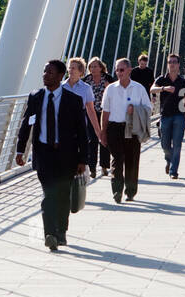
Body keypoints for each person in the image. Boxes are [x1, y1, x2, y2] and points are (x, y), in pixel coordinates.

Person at [15, 60, 89, 251]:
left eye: (49, 72)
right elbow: (26, 124)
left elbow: (82, 132)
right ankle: (49, 233)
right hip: (44, 153)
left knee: (63, 195)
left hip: (66, 155)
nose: (45, 75)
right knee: (49, 194)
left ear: (59, 76)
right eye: (44, 71)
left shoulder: (73, 100)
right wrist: (20, 149)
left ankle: (61, 231)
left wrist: (83, 159)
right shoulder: (36, 97)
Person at [100, 57, 152, 203]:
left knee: (132, 160)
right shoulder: (110, 89)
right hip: (114, 127)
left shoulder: (139, 88)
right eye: (117, 69)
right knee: (117, 159)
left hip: (132, 127)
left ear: (129, 70)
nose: (119, 72)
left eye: (122, 69)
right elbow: (105, 112)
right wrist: (103, 132)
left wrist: (135, 109)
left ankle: (130, 191)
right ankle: (117, 191)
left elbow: (148, 108)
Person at [151, 54, 185, 179]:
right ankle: (169, 159)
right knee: (165, 144)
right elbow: (152, 89)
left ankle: (174, 171)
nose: (172, 64)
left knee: (177, 144)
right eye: (170, 62)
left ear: (178, 65)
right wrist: (164, 88)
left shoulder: (184, 82)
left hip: (179, 116)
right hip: (165, 115)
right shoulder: (161, 79)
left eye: (174, 62)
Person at [65, 57, 105, 178]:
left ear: (81, 72)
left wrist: (99, 133)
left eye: (73, 68)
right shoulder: (60, 87)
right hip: (63, 127)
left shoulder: (86, 88)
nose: (70, 70)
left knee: (78, 156)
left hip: (79, 128)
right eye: (69, 68)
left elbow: (91, 111)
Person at [86, 57, 114, 177]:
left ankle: (104, 166)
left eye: (95, 66)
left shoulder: (108, 78)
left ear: (101, 67)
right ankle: (92, 168)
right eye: (91, 67)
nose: (93, 69)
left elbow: (114, 93)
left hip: (105, 112)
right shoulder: (86, 80)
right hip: (91, 113)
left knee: (104, 138)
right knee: (92, 140)